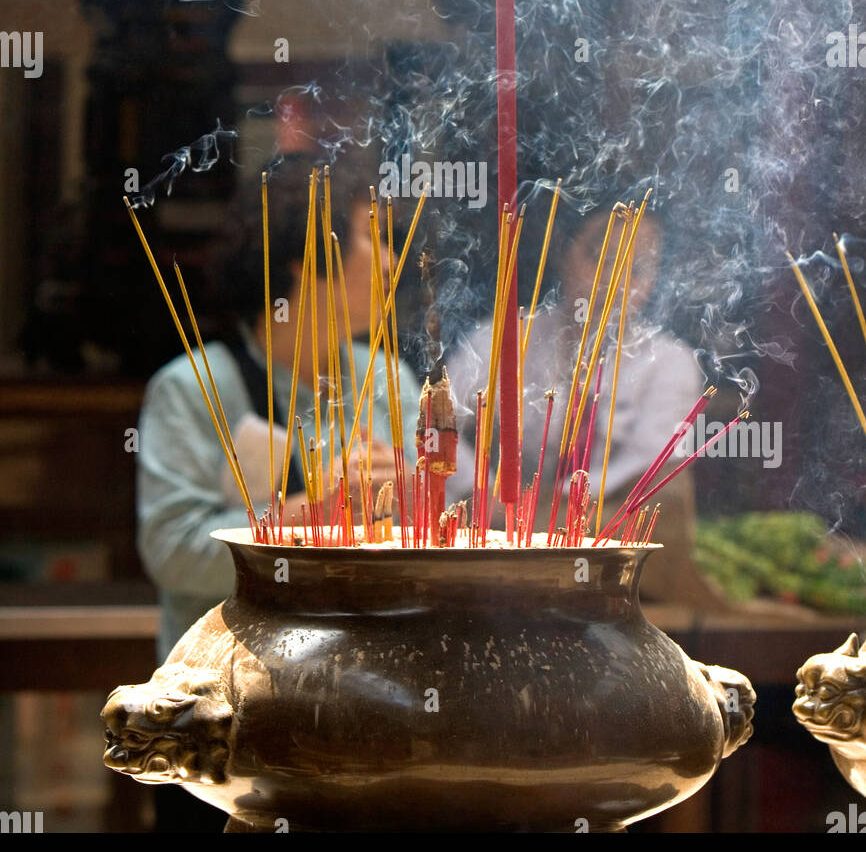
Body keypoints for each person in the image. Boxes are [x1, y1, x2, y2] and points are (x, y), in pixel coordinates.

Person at [137, 155, 422, 664]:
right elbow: (173, 550)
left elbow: (430, 528)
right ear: (307, 257)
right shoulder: (194, 387)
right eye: (370, 238)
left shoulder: (386, 377)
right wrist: (311, 510)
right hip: (228, 687)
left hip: (366, 672)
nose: (388, 261)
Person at [445, 199, 727, 605]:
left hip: (596, 523)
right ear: (562, 251)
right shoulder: (500, 338)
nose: (617, 281)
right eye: (602, 258)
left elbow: (649, 461)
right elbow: (441, 425)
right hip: (493, 516)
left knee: (668, 491)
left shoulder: (669, 361)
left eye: (639, 269)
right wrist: (483, 489)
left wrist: (558, 504)